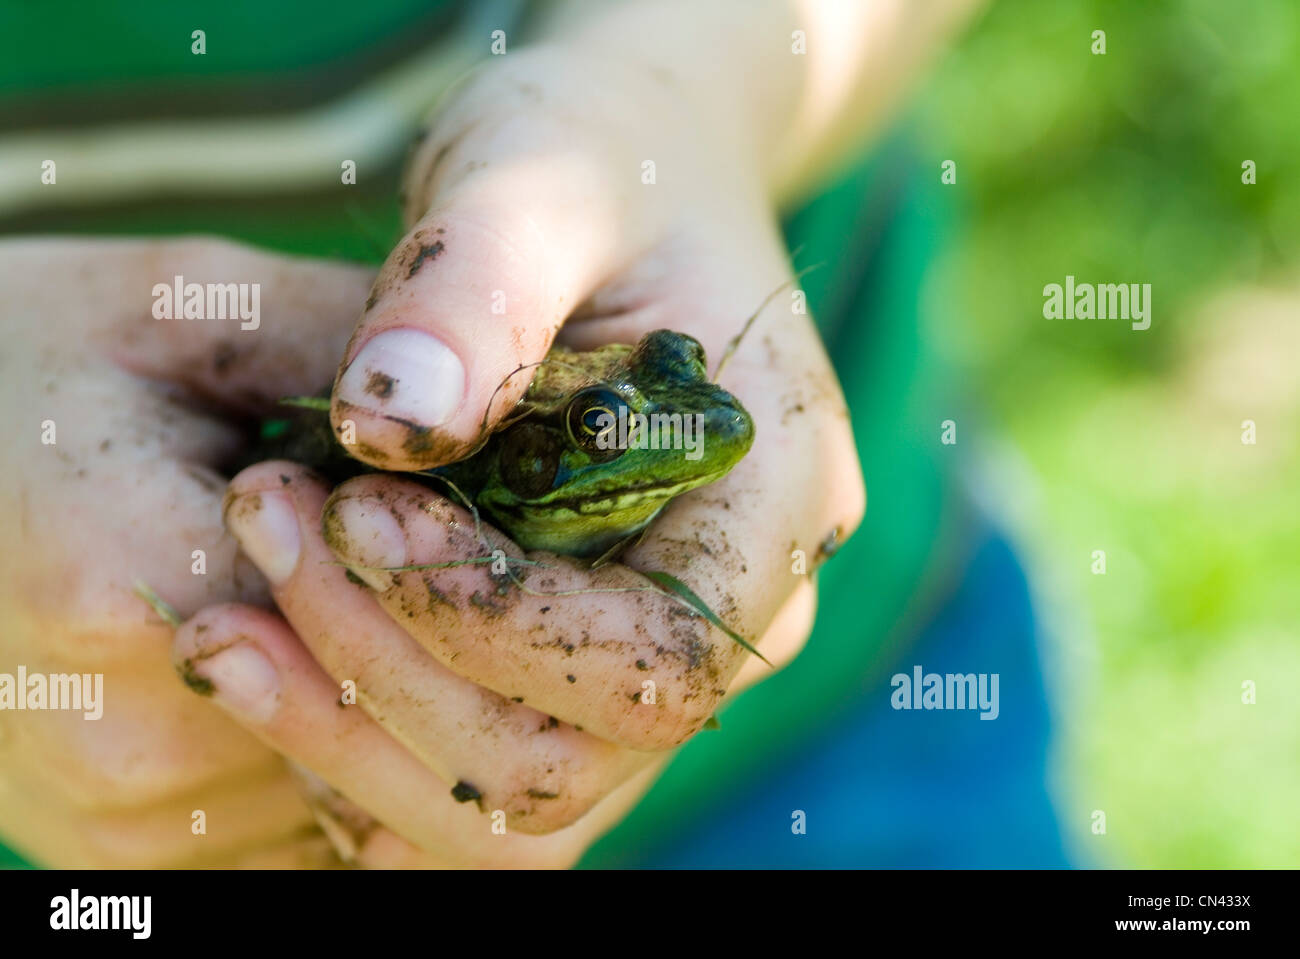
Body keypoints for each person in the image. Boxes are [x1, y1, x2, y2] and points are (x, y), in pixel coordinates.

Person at [1, 0, 1069, 868]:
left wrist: (675, 105)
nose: (690, 417)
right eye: (604, 426)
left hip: (837, 724)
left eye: (677, 370)